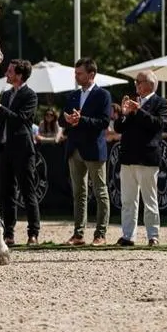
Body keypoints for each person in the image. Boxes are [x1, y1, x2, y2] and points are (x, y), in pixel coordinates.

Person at [0, 59, 39, 246]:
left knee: (28, 192)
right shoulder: (6, 95)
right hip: (5, 149)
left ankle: (33, 233)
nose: (7, 73)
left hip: (22, 150)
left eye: (10, 71)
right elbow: (2, 121)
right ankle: (9, 233)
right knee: (6, 193)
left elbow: (20, 120)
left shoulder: (30, 96)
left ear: (19, 75)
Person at [58, 57, 112, 247]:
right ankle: (78, 234)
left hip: (94, 149)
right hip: (74, 149)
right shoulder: (73, 95)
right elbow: (60, 120)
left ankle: (100, 234)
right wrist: (67, 120)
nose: (76, 76)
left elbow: (104, 122)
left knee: (100, 192)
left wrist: (82, 120)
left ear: (91, 74)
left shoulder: (103, 95)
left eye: (79, 73)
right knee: (78, 193)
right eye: (76, 73)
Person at [113, 71, 167, 247]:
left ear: (149, 84)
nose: (135, 84)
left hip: (147, 157)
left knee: (149, 199)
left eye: (138, 81)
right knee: (128, 200)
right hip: (128, 156)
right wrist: (123, 113)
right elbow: (119, 128)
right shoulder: (132, 103)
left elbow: (158, 125)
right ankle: (128, 235)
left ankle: (153, 235)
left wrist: (138, 111)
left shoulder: (161, 103)